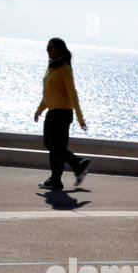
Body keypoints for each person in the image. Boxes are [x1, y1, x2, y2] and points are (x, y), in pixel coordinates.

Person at [33, 37, 90, 190]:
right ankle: (75, 166)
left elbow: (73, 93)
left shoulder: (64, 68)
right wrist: (39, 110)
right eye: (47, 48)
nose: (48, 51)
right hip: (52, 112)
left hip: (63, 113)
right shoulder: (51, 67)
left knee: (55, 146)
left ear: (59, 50)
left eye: (51, 48)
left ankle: (60, 177)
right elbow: (49, 94)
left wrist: (80, 117)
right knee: (52, 145)